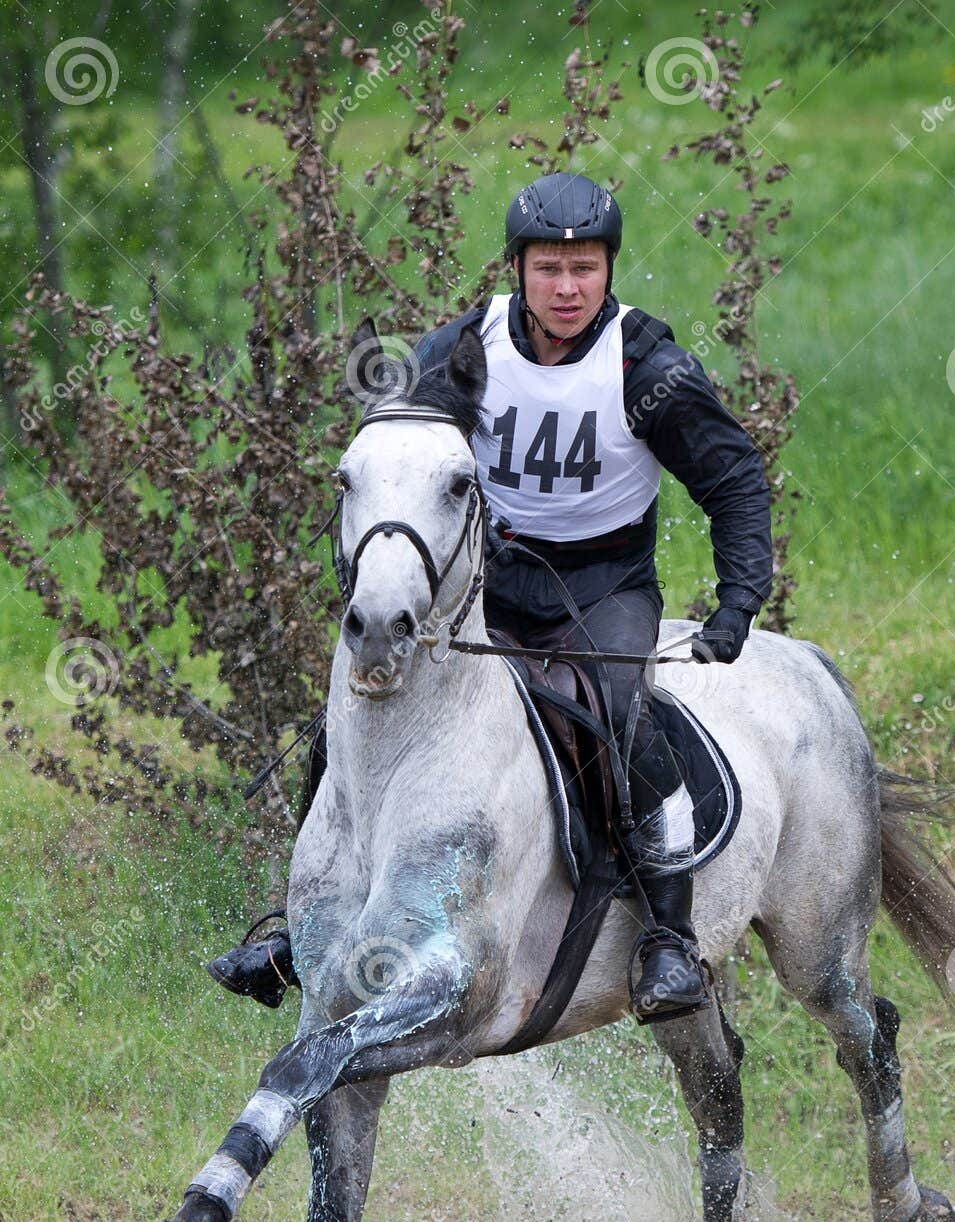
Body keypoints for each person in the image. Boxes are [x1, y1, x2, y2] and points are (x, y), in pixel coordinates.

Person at [208, 173, 773, 1021]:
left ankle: (666, 937)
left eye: (585, 268)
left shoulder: (647, 365)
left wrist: (737, 604)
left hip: (602, 587)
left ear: (608, 270)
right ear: (518, 268)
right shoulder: (465, 348)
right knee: (356, 708)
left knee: (621, 714)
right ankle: (300, 925)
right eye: (549, 268)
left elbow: (732, 478)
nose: (568, 287)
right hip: (484, 583)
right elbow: (395, 454)